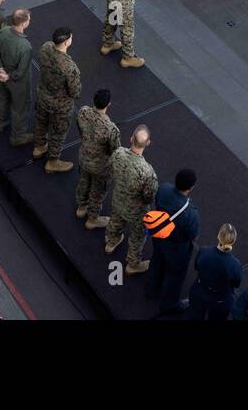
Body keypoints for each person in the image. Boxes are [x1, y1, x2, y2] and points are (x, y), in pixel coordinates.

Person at [105, 125, 158, 274]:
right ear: (148, 143)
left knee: (115, 220)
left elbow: (110, 168)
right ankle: (132, 264)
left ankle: (111, 242)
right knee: (138, 236)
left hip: (117, 199)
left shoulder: (118, 153)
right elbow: (149, 197)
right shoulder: (148, 172)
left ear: (131, 139)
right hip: (136, 211)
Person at [146, 168, 200, 315]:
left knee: (157, 261)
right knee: (175, 276)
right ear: (191, 188)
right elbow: (193, 236)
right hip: (177, 249)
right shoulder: (191, 213)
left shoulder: (164, 189)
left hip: (159, 238)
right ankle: (168, 304)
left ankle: (151, 288)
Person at [33, 27, 81, 173]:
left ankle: (39, 147)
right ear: (66, 42)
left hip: (42, 97)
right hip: (60, 107)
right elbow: (75, 92)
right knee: (58, 133)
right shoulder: (69, 67)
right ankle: (53, 161)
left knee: (41, 123)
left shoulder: (45, 48)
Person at [75, 88, 121, 229]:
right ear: (109, 104)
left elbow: (81, 130)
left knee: (83, 182)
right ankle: (92, 219)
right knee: (98, 191)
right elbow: (115, 150)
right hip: (100, 166)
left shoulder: (83, 112)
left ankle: (81, 207)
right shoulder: (111, 129)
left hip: (84, 157)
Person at [0, 8, 34, 146]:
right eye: (28, 19)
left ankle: (1, 123)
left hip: (1, 74)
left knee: (2, 98)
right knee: (19, 108)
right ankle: (19, 136)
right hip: (18, 82)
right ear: (23, 23)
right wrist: (9, 76)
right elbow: (21, 71)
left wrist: (0, 68)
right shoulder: (25, 46)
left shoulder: (2, 32)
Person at [188, 223, 243, 321]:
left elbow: (196, 267)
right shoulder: (234, 264)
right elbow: (237, 283)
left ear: (218, 236)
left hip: (199, 292)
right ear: (233, 241)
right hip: (220, 300)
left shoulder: (203, 251)